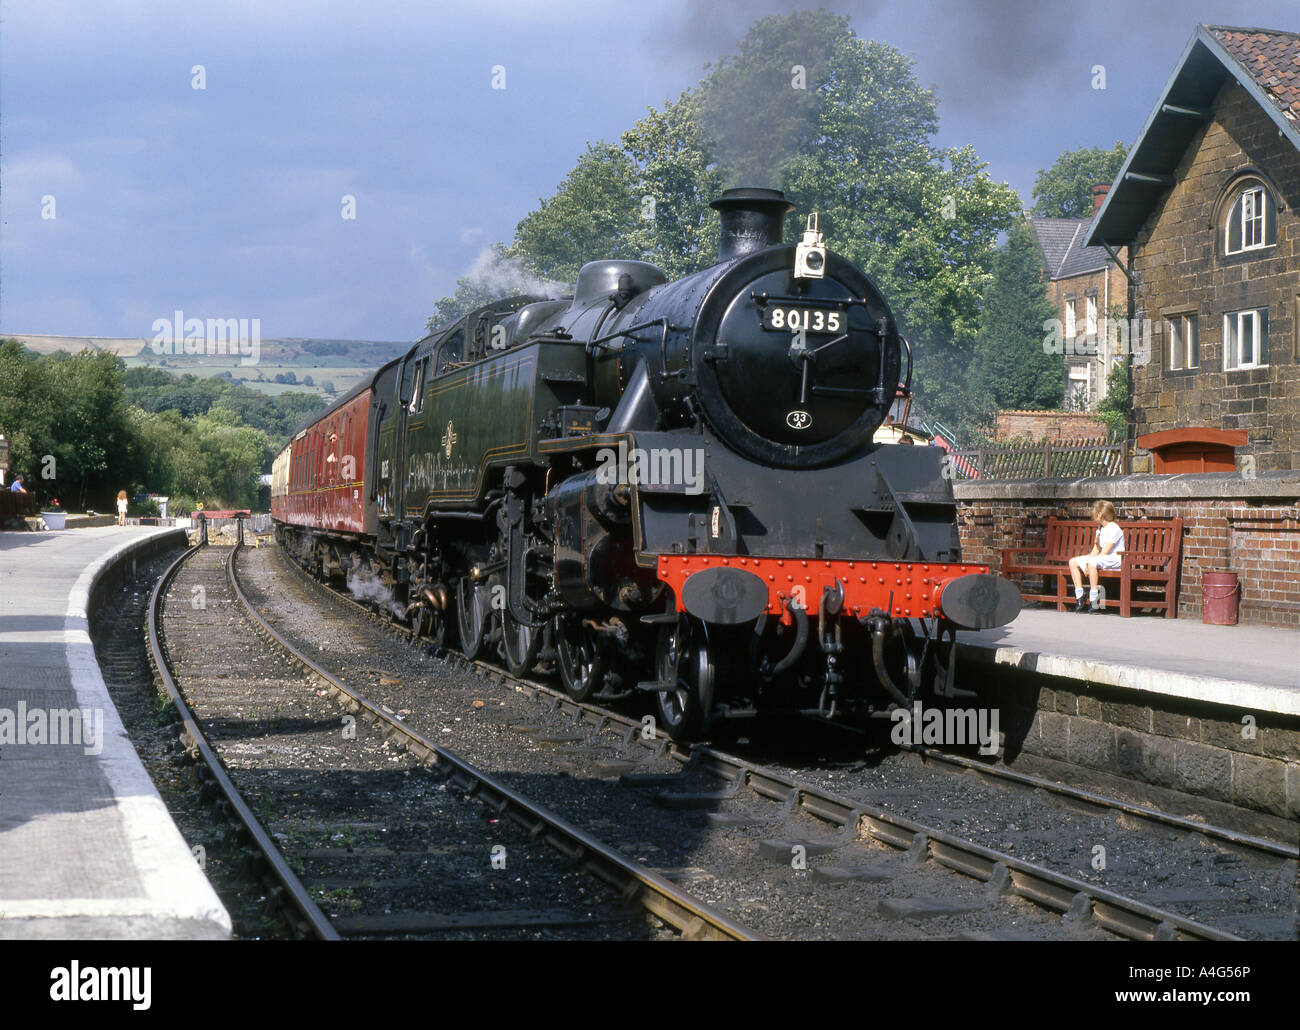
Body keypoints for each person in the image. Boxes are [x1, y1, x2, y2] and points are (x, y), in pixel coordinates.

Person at [1068, 500, 1124, 613]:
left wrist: (1090, 563)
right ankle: (1080, 595)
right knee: (1073, 562)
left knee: (1092, 563)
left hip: (1115, 558)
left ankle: (1094, 598)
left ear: (1100, 514)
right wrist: (1087, 560)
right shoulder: (1100, 528)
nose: (1093, 514)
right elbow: (1096, 549)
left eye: (1095, 512)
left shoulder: (1114, 528)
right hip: (1104, 558)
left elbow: (1106, 551)